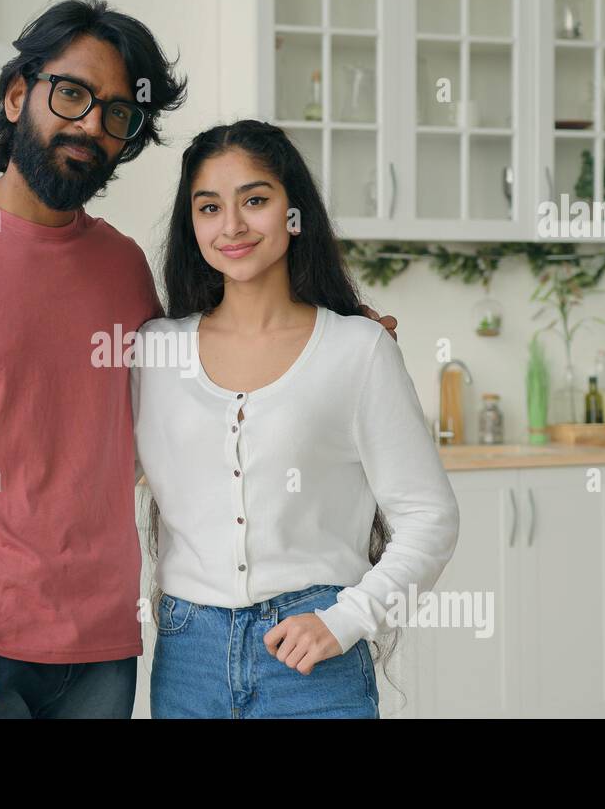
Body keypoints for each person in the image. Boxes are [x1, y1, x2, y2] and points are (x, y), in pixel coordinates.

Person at [0, 0, 395, 720]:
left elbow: (200, 395)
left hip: (106, 656)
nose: (91, 125)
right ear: (17, 94)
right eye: (71, 93)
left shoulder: (123, 266)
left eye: (117, 113)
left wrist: (340, 337)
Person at [131, 120, 458, 718]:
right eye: (209, 207)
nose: (231, 225)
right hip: (187, 658)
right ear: (192, 225)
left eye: (255, 200)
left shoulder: (357, 350)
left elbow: (429, 518)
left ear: (294, 214)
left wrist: (349, 619)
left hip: (314, 660)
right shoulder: (154, 353)